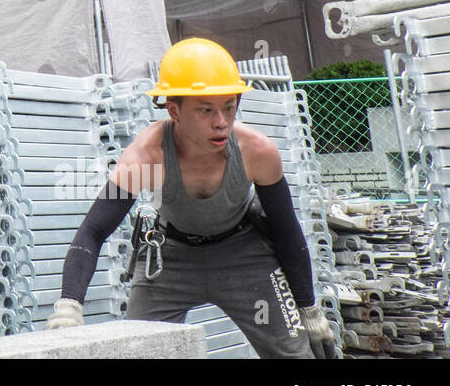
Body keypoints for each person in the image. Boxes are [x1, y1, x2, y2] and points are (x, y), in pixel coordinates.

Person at [46, 38, 338, 359]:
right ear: (174, 110)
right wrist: (69, 304)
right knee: (137, 353)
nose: (221, 121)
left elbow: (286, 231)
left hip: (245, 259)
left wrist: (309, 309)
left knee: (296, 355)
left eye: (229, 106)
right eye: (206, 110)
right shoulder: (147, 156)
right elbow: (94, 230)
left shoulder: (257, 151)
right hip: (171, 261)